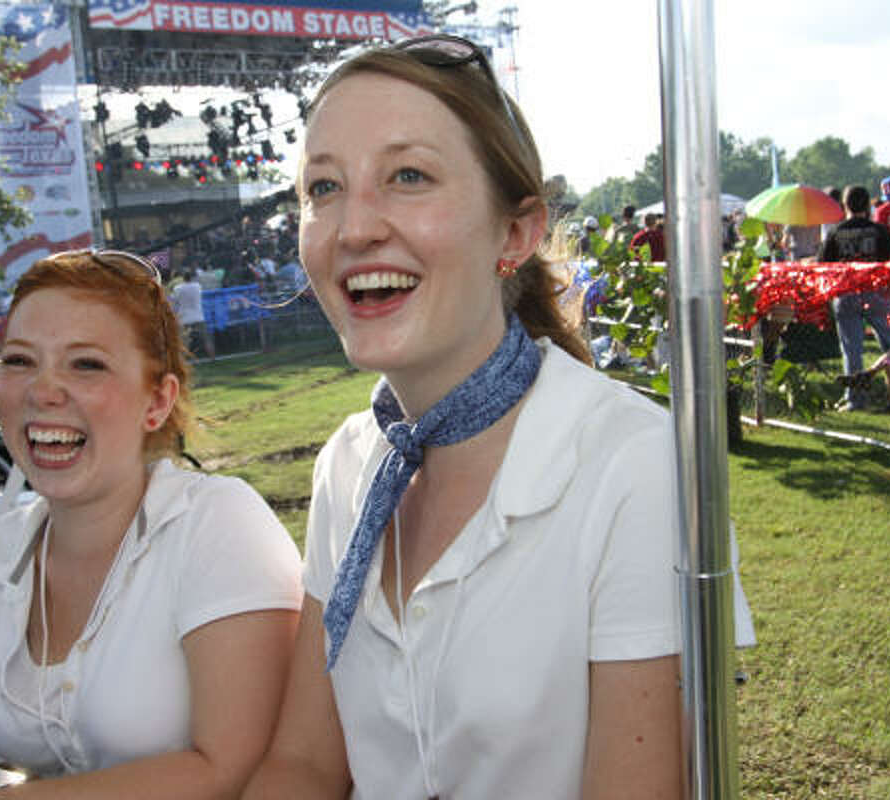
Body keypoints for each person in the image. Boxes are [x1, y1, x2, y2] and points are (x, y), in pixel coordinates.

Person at [245, 34, 751, 799]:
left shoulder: (635, 470)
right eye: (323, 188)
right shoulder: (349, 465)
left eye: (407, 176)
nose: (353, 229)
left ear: (515, 233)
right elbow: (304, 766)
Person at [0, 250, 303, 796]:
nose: (42, 391)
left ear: (158, 401)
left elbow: (227, 768)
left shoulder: (216, 524)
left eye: (86, 364)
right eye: (20, 361)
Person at [820, 185, 890, 411]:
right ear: (868, 205)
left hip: (846, 295)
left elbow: (825, 268)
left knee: (852, 349)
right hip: (876, 293)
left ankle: (855, 399)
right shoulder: (880, 231)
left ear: (845, 205)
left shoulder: (835, 233)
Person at [172, 269, 215, 359]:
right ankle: (212, 357)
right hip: (198, 316)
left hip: (184, 318)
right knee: (206, 338)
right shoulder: (197, 286)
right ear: (191, 277)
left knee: (184, 341)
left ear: (183, 278)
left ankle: (183, 360)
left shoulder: (177, 288)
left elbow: (175, 302)